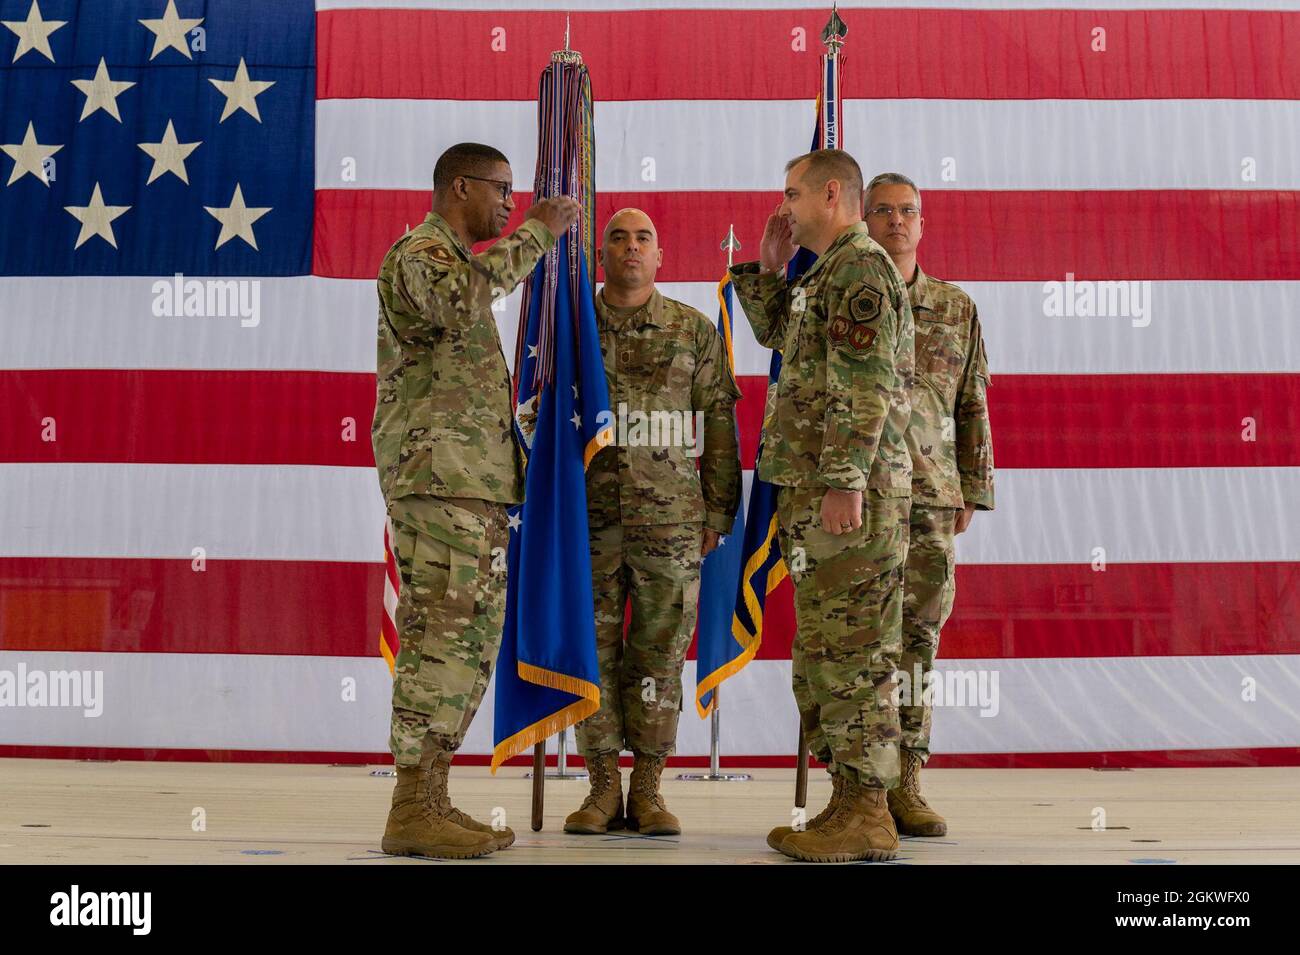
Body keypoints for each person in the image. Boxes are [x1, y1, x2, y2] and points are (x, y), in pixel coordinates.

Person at [372, 141, 578, 858]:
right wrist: (539, 233)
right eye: (502, 190)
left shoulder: (456, 259)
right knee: (440, 638)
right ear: (460, 187)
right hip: (440, 483)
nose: (511, 205)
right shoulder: (422, 255)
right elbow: (459, 302)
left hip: (471, 484)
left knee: (465, 642)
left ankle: (429, 795)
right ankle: (410, 804)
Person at [729, 149, 914, 862]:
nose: (784, 206)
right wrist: (768, 269)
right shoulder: (825, 271)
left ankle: (868, 813)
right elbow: (784, 340)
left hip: (847, 500)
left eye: (792, 194)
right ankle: (850, 800)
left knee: (854, 653)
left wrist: (843, 481)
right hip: (815, 493)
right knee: (823, 656)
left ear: (830, 193)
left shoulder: (860, 269)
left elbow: (863, 386)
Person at [564, 208, 742, 837]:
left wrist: (719, 510)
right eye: (618, 238)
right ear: (601, 255)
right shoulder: (570, 330)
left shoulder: (693, 330)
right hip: (586, 522)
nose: (631, 248)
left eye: (643, 238)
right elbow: (537, 416)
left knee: (660, 654)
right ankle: (601, 787)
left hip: (671, 523)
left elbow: (718, 423)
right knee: (592, 652)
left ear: (660, 256)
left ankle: (648, 786)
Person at [865, 172, 995, 836]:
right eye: (883, 210)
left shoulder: (954, 306)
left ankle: (908, 779)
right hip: (858, 501)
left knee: (917, 643)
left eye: (907, 211)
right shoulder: (847, 298)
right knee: (860, 643)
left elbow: (971, 400)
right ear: (863, 221)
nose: (896, 221)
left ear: (923, 222)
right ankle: (860, 783)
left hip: (930, 499)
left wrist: (973, 486)